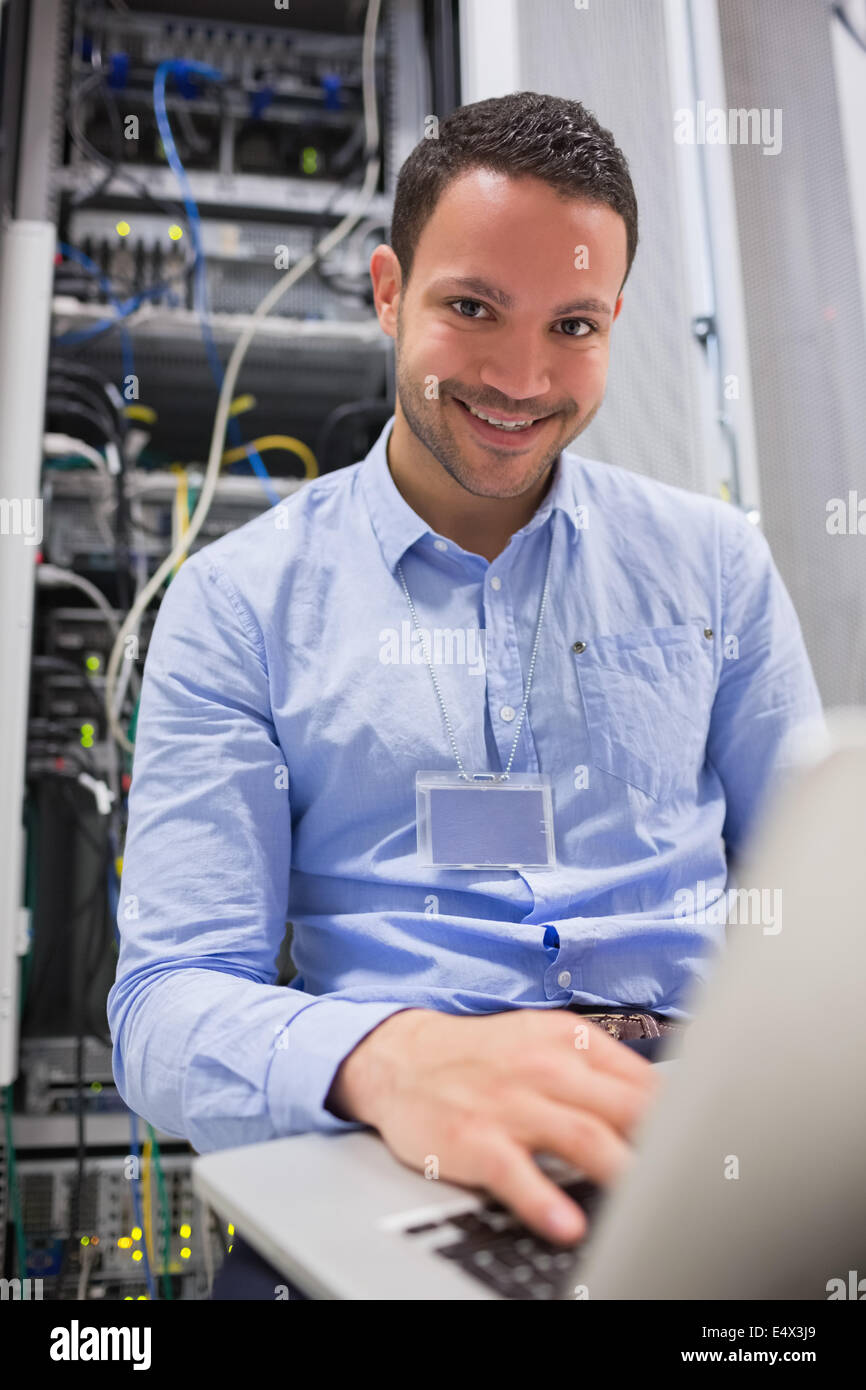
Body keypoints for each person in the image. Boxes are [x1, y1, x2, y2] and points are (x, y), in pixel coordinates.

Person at [107, 92, 823, 1298]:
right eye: (472, 307)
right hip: (394, 1131)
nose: (519, 377)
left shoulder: (714, 567)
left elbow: (808, 906)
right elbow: (164, 1004)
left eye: (573, 325)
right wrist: (380, 1058)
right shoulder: (238, 603)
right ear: (388, 291)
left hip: (692, 1124)